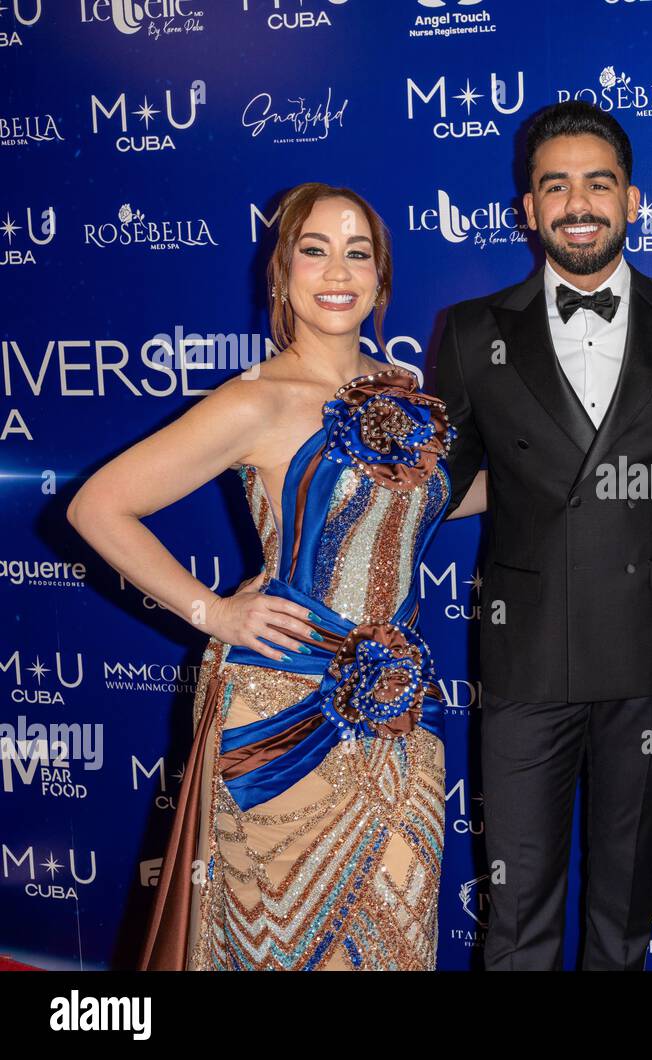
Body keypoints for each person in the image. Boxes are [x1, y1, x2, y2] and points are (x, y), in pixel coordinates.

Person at [68, 182, 485, 970]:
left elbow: (435, 503)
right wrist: (214, 613)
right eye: (315, 249)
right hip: (280, 713)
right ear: (282, 272)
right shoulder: (253, 402)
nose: (338, 271)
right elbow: (99, 508)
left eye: (358, 253)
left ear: (382, 279)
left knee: (396, 944)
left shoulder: (409, 397)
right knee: (281, 948)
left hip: (401, 723)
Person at [434, 100, 652, 970]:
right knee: (516, 909)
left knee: (624, 908)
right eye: (554, 185)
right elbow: (438, 486)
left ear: (633, 200)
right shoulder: (472, 331)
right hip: (525, 654)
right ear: (526, 209)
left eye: (598, 183)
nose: (578, 203)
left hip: (646, 648)